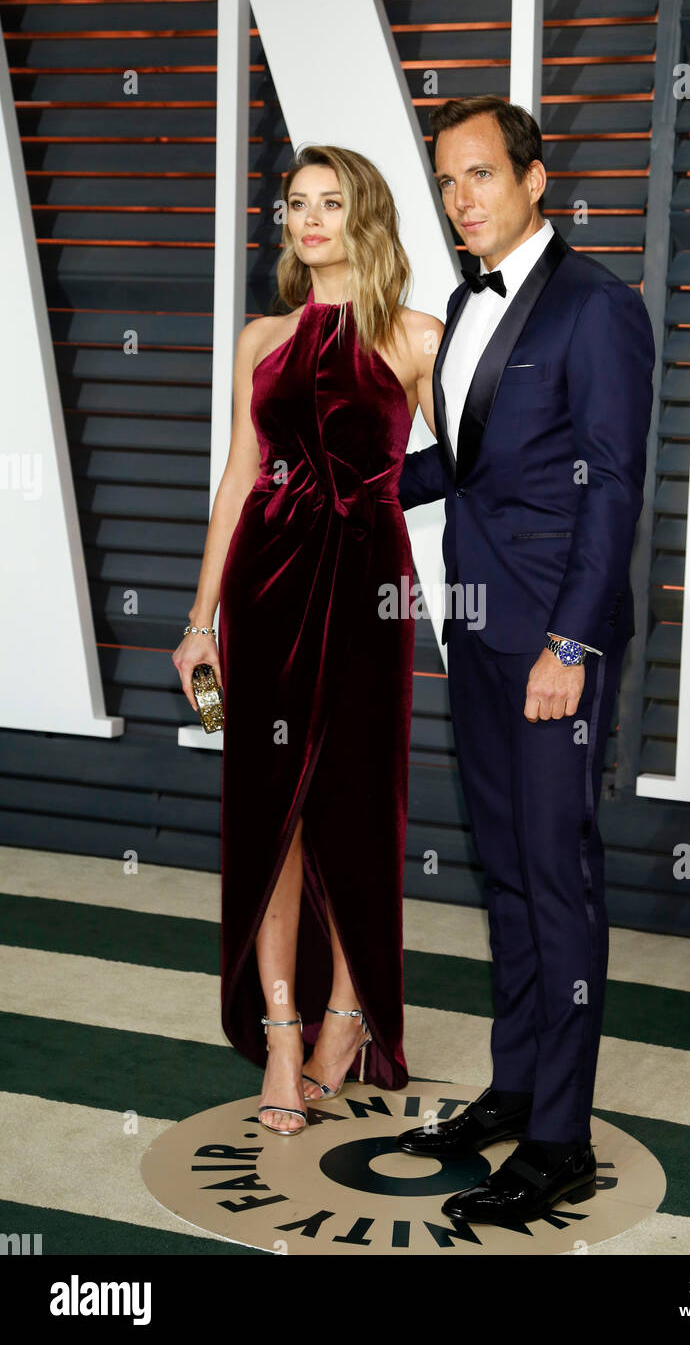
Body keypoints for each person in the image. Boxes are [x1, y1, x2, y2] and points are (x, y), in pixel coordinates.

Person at [396, 95, 655, 1221]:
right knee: (503, 868)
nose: (463, 200)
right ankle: (515, 1083)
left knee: (558, 880)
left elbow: (615, 492)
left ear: (536, 178)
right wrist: (338, 481)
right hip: (479, 631)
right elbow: (462, 466)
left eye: (482, 176)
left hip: (556, 645)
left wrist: (570, 643)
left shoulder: (598, 309)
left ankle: (561, 1139)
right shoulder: (464, 301)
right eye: (449, 181)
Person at [173, 145, 442, 1135]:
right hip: (268, 583)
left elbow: (478, 459)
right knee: (273, 812)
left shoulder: (419, 338)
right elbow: (242, 472)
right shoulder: (262, 337)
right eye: (296, 203)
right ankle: (283, 1030)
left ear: (363, 215)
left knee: (358, 804)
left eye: (332, 202)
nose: (310, 217)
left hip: (370, 587)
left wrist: (375, 494)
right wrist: (199, 620)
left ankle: (350, 1013)